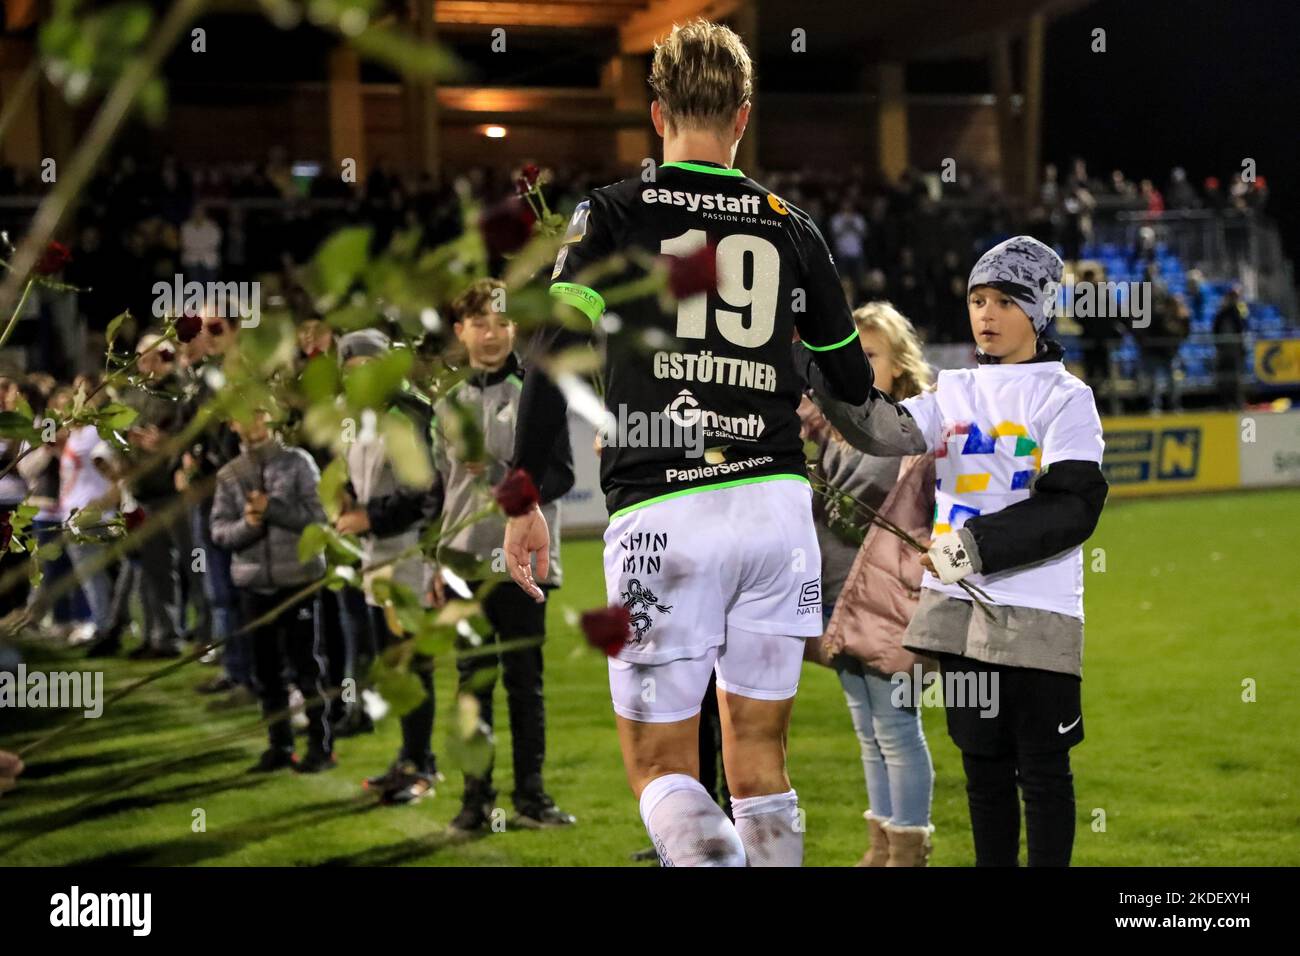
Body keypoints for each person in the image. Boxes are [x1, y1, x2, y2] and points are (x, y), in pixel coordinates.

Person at [503, 19, 872, 867]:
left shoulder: (613, 211)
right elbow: (849, 383)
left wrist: (529, 494)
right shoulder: (793, 225)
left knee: (660, 764)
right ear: (743, 117)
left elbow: (551, 351)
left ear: (657, 113)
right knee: (759, 761)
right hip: (778, 511)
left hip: (666, 508)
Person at [802, 236, 1108, 867]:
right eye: (977, 299)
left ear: (1040, 309)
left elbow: (1073, 507)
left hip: (1037, 615)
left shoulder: (1067, 398)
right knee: (984, 773)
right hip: (956, 618)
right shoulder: (956, 389)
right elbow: (881, 429)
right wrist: (817, 373)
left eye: (1004, 301)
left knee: (1044, 775)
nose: (986, 314)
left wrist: (969, 549)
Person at [430, 279, 575, 831]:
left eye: (501, 323)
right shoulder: (446, 403)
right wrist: (435, 562)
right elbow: (438, 493)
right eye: (479, 324)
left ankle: (531, 798)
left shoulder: (538, 389)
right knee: (471, 685)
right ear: (460, 331)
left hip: (523, 565)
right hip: (464, 562)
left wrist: (502, 482)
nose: (491, 335)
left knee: (524, 682)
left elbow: (560, 473)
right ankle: (474, 799)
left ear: (515, 328)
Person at [803, 302, 937, 866]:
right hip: (839, 592)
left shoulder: (910, 429)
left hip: (888, 601)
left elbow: (856, 511)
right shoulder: (835, 425)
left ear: (899, 365)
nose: (858, 363)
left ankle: (909, 848)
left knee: (897, 728)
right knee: (867, 726)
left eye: (871, 355)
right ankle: (881, 845)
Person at [333, 328, 442, 804]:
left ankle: (422, 768)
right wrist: (348, 499)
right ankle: (409, 757)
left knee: (411, 664)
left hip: (409, 554)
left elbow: (425, 494)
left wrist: (368, 517)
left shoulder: (409, 412)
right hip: (378, 555)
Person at [209, 407, 334, 773]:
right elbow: (218, 532)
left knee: (307, 667)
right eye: (243, 415)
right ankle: (279, 745)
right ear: (232, 422)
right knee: (265, 672)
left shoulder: (299, 463)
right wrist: (248, 525)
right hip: (253, 586)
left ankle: (321, 746)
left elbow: (320, 521)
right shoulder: (229, 474)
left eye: (259, 413)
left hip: (298, 581)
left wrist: (272, 510)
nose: (251, 422)